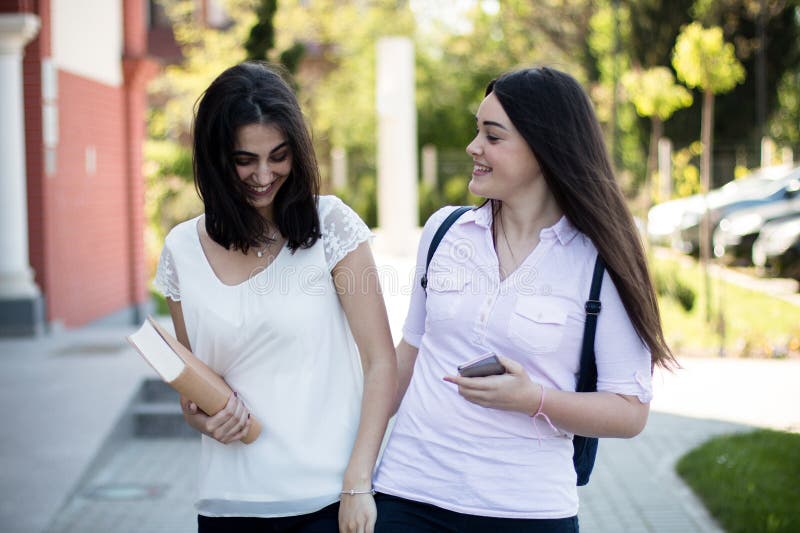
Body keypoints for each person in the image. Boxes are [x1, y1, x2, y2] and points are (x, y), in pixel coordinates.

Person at [372, 66, 677, 532]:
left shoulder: (598, 259)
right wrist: (351, 466)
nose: (474, 147)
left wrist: (533, 399)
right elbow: (405, 361)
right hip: (408, 495)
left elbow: (630, 411)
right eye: (478, 131)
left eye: (493, 137)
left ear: (543, 148)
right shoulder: (444, 233)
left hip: (528, 511)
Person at [153, 61, 396, 533]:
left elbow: (380, 362)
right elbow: (195, 383)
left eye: (279, 156)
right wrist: (201, 419)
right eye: (245, 160)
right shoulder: (181, 250)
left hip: (329, 503)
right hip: (227, 504)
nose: (264, 175)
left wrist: (358, 484)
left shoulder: (333, 227)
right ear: (215, 157)